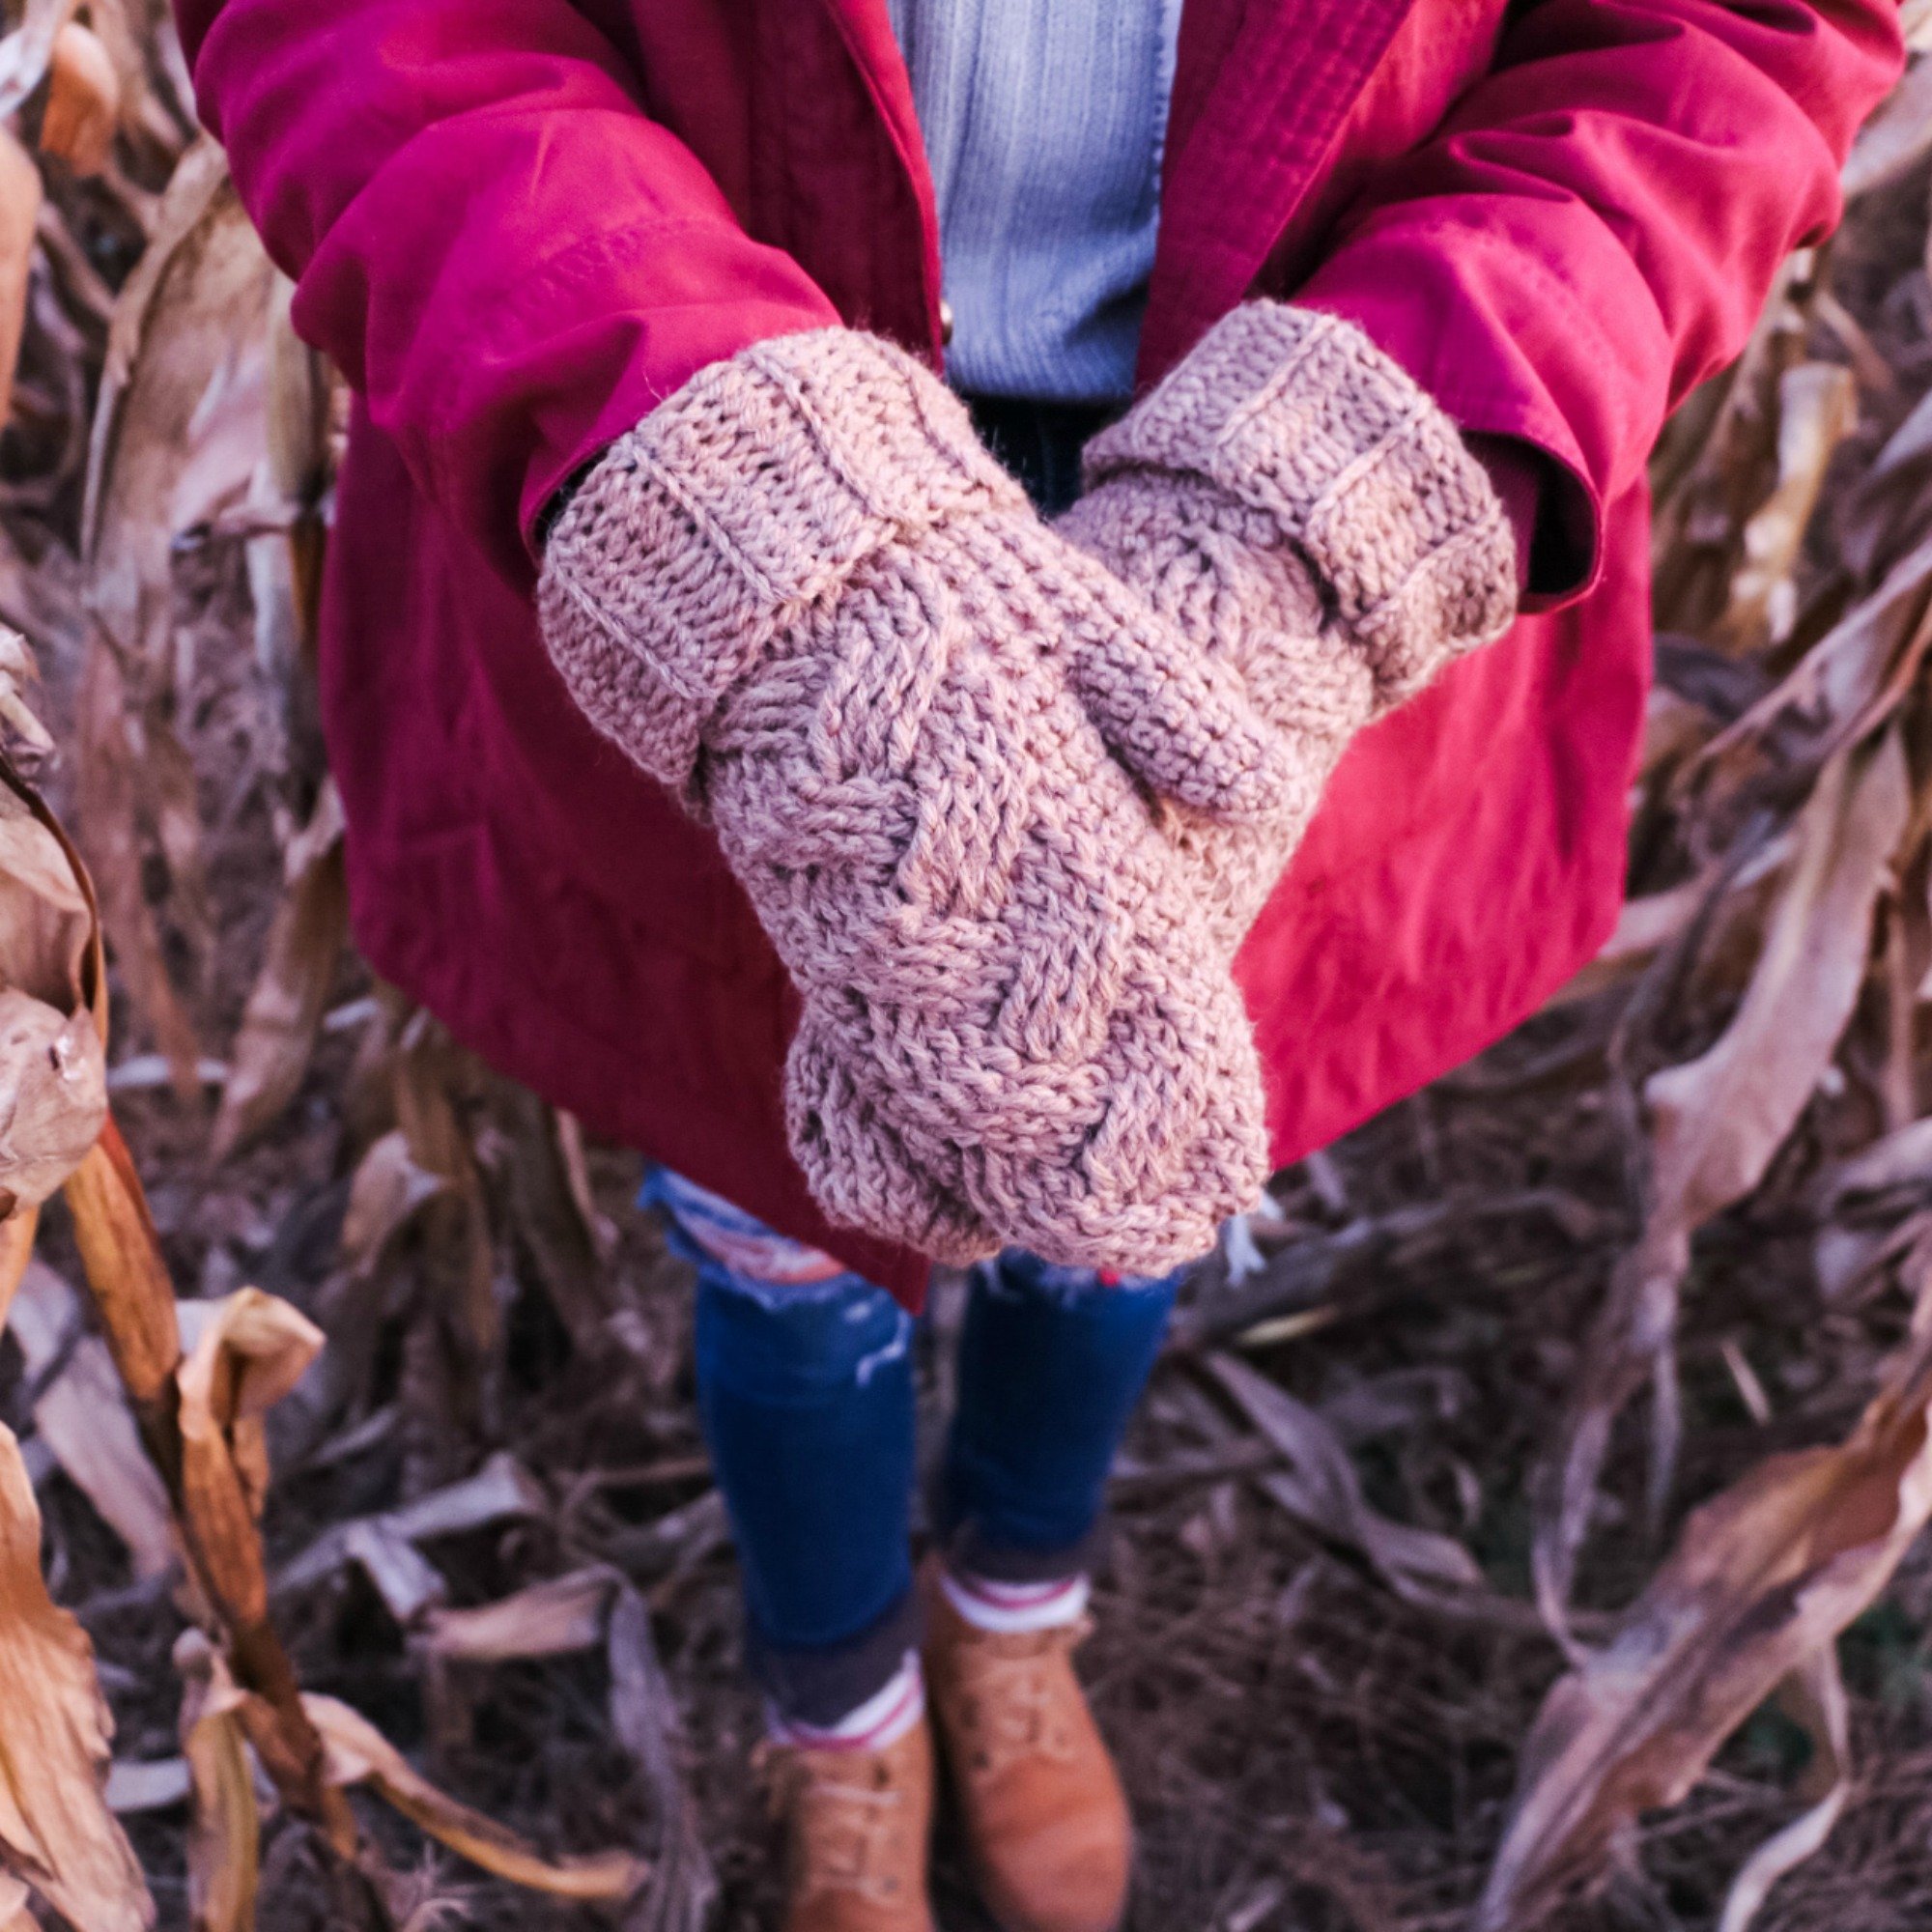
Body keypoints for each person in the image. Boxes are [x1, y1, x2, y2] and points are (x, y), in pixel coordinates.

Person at [172, 0, 1901, 1924]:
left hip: (1301, 452)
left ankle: (1012, 1602)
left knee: (1120, 1164)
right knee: (776, 1209)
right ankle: (841, 1703)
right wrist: (715, 487)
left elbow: (1737, 35)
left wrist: (1340, 498)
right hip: (712, 478)